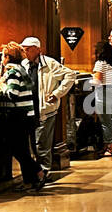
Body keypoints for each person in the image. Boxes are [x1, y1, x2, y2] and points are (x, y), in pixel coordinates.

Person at [0, 42, 46, 193]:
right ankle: (30, 181)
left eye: (4, 56)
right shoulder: (21, 69)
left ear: (9, 57)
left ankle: (39, 173)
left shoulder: (12, 72)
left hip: (18, 117)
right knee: (22, 148)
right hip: (26, 115)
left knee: (18, 150)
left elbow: (12, 94)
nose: (2, 59)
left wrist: (0, 87)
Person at [22, 36, 75, 174]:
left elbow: (70, 75)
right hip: (29, 109)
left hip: (45, 109)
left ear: (38, 49)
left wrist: (57, 93)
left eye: (28, 49)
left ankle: (44, 172)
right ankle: (37, 173)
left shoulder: (50, 63)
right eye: (24, 49)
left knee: (42, 143)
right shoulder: (24, 64)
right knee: (32, 144)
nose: (25, 52)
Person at [90, 40, 112, 158]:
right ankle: (110, 145)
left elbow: (97, 81)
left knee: (105, 122)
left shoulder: (100, 63)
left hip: (104, 92)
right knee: (109, 120)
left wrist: (90, 80)